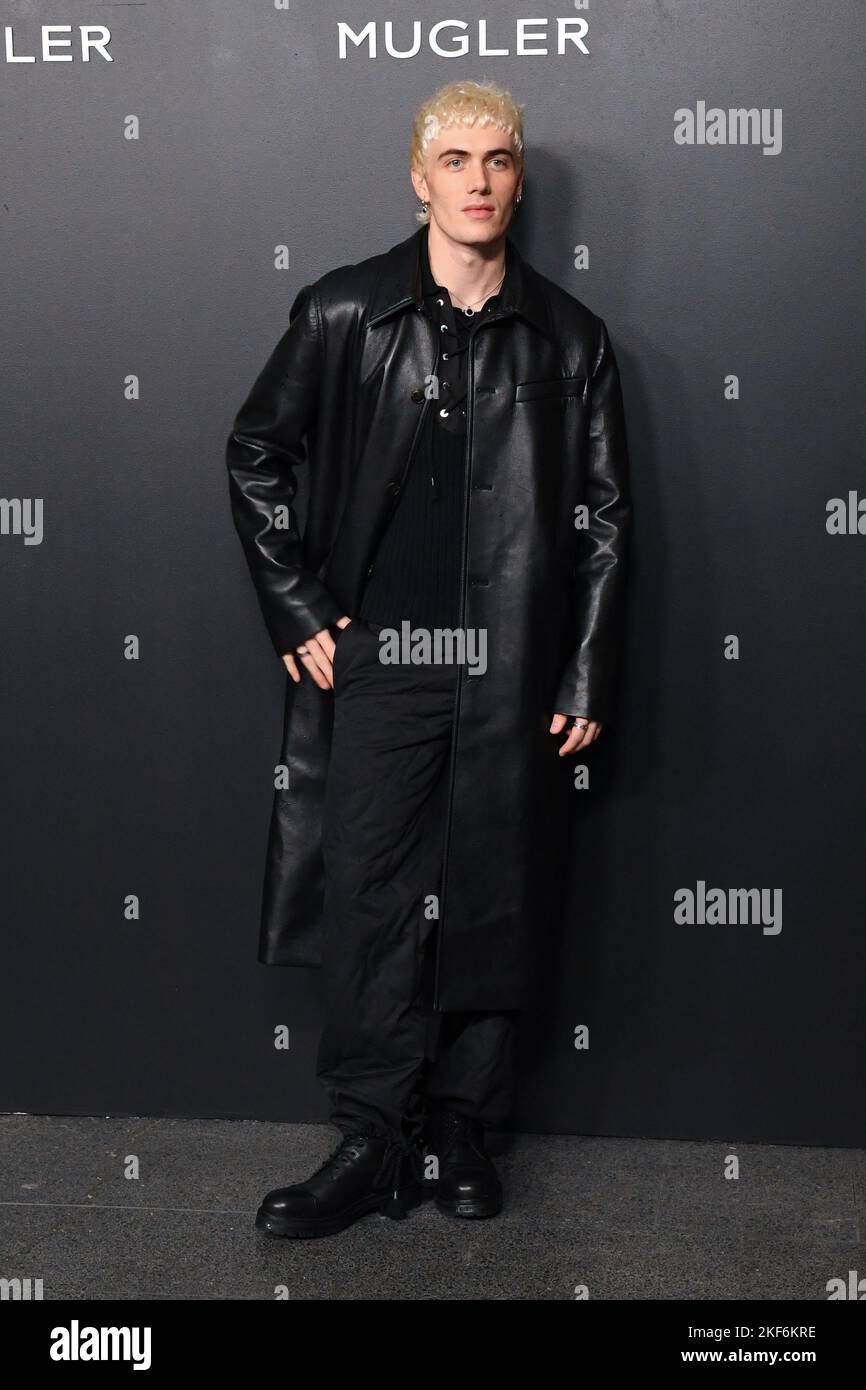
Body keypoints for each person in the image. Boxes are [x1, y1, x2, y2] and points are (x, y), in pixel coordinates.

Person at [225, 79, 632, 1239]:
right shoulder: (344, 312)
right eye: (454, 159)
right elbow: (256, 449)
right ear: (417, 177)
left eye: (497, 160)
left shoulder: (570, 338)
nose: (478, 180)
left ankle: (460, 1126)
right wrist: (298, 603)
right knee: (372, 897)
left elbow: (605, 521)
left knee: (494, 895)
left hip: (510, 666)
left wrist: (586, 671)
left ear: (517, 178)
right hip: (386, 658)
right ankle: (371, 1134)